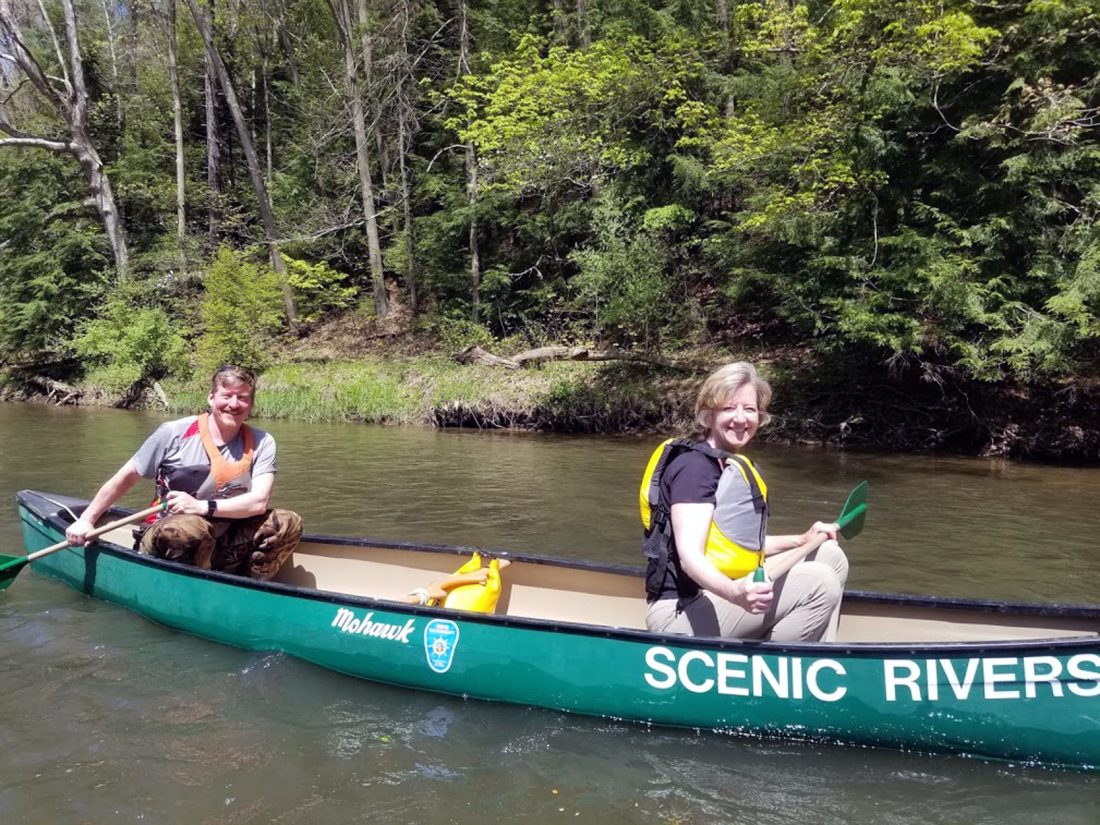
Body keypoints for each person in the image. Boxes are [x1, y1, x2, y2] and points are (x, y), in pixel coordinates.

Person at [641, 362, 848, 641]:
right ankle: (780, 662)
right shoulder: (694, 469)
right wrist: (736, 593)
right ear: (708, 416)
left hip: (719, 595)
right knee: (819, 583)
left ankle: (822, 654)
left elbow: (734, 547)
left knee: (829, 555)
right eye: (729, 408)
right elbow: (690, 558)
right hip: (682, 610)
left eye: (749, 409)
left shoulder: (727, 464)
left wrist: (802, 539)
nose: (740, 419)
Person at [65, 365, 302, 580]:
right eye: (227, 395)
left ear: (250, 405)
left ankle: (250, 586)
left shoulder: (262, 441)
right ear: (211, 398)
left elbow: (258, 502)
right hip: (171, 533)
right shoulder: (174, 433)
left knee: (286, 522)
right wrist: (86, 520)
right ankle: (192, 588)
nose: (234, 404)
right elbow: (125, 478)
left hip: (225, 539)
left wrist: (201, 506)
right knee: (188, 530)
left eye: (242, 398)